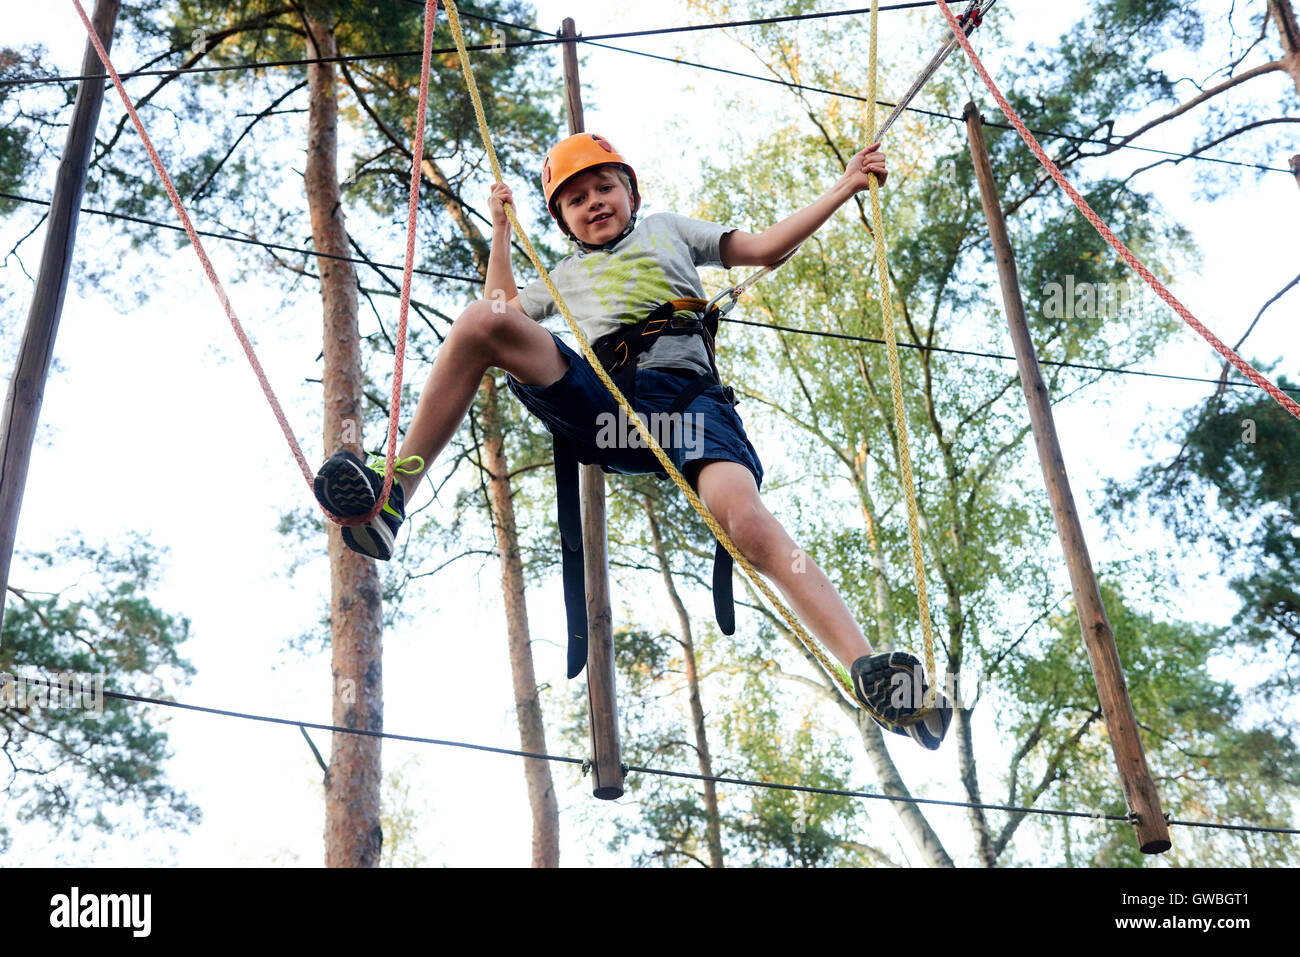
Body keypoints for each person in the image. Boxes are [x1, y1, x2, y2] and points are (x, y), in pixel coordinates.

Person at [313, 132, 952, 749]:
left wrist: (845, 187)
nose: (594, 202)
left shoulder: (668, 230)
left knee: (747, 522)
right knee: (483, 322)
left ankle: (867, 669)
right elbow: (500, 312)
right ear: (562, 219)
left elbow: (762, 249)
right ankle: (394, 492)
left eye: (605, 186)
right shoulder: (560, 273)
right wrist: (503, 231)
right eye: (576, 198)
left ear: (630, 193)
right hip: (606, 404)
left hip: (689, 407)